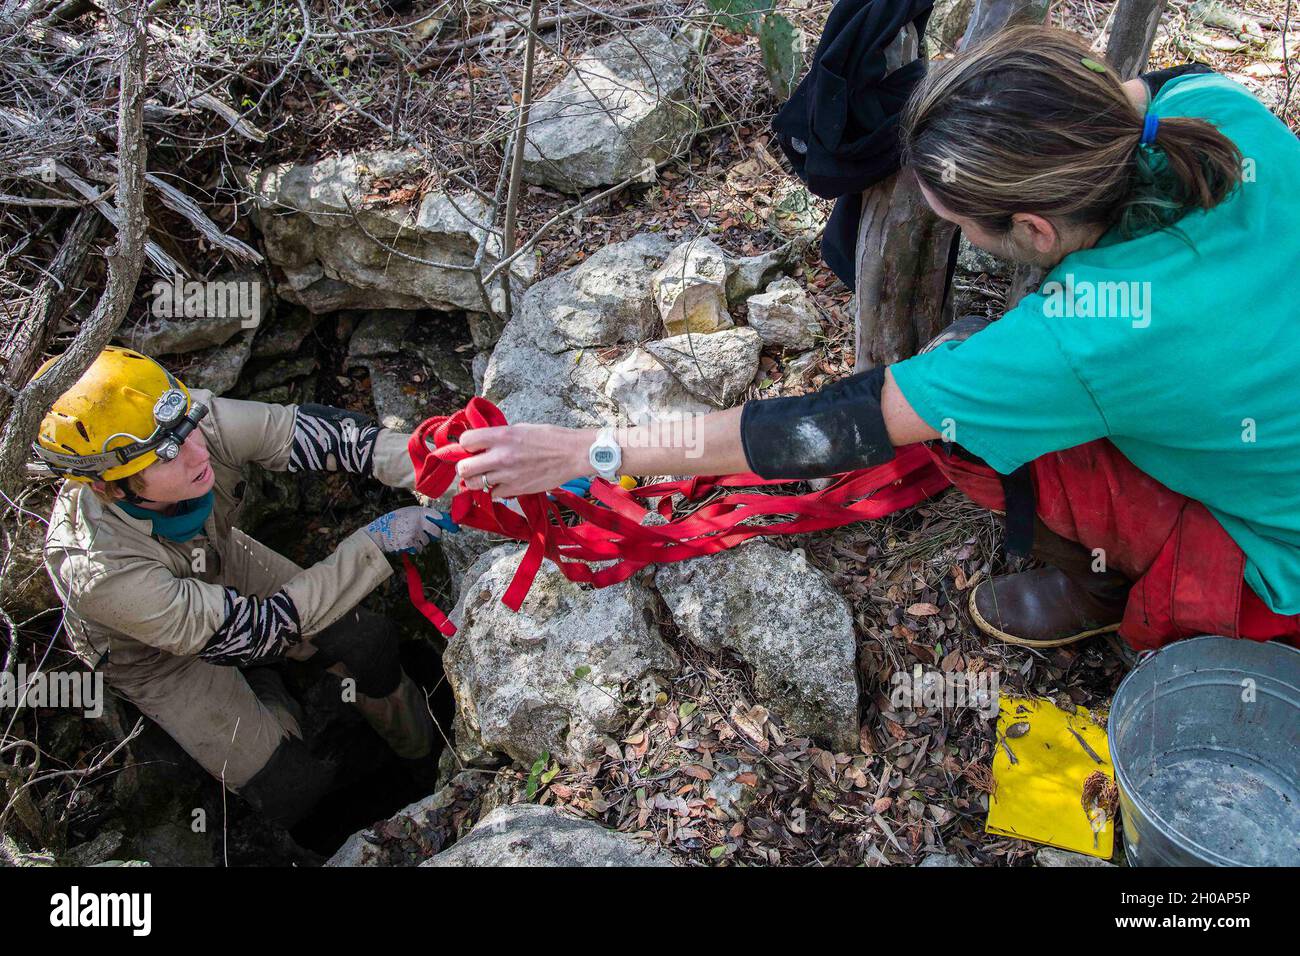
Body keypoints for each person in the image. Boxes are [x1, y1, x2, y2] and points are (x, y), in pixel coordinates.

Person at [445, 26, 1300, 653]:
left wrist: (589, 449)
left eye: (961, 223)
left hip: (1279, 570)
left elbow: (819, 427)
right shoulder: (1214, 110)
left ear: (1036, 230)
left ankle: (1109, 584)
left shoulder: (1079, 339)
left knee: (947, 396)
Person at [36, 345, 455, 826]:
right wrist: (376, 545)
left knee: (369, 642)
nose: (198, 451)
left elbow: (328, 439)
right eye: (167, 456)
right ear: (108, 487)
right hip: (151, 657)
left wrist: (444, 467)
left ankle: (424, 759)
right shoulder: (100, 570)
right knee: (291, 787)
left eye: (188, 430)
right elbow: (262, 628)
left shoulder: (184, 422)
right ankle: (271, 695)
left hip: (218, 561)